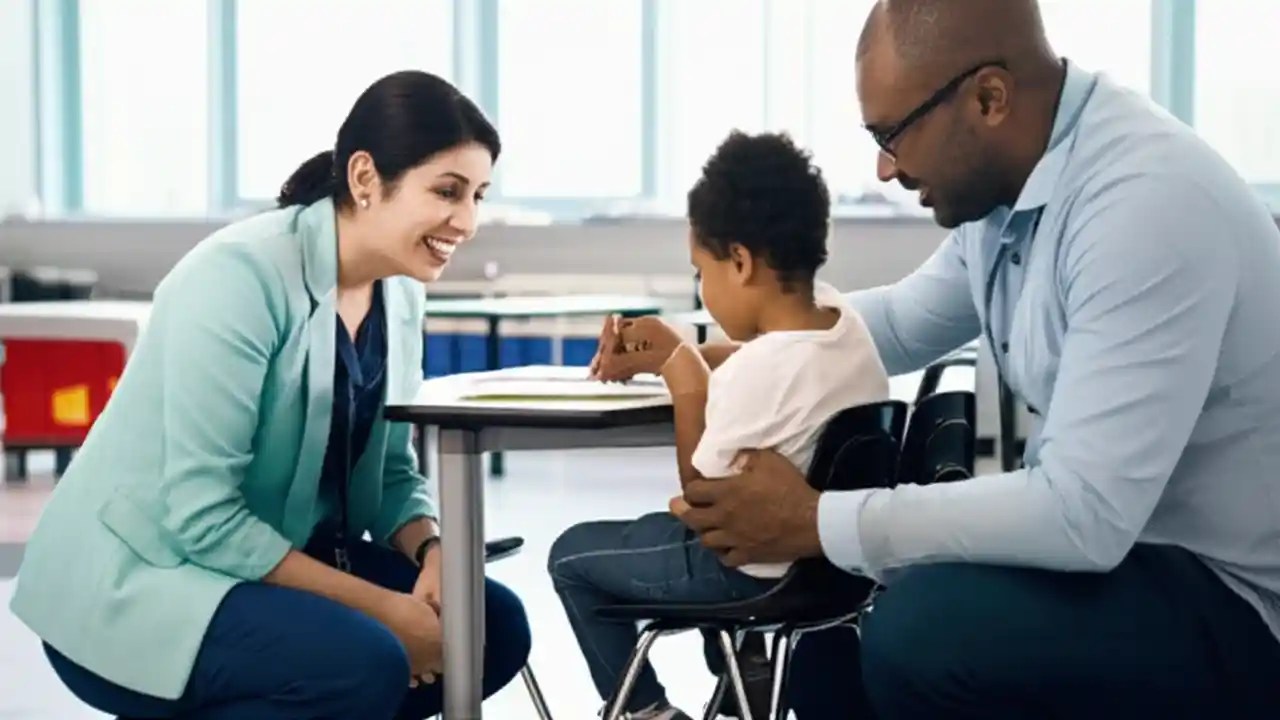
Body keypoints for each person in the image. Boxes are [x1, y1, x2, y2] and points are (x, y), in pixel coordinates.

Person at [596, 1, 1280, 717]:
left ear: (988, 98)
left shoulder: (1141, 207)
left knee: (921, 631)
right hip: (1132, 561)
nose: (884, 167)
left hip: (1233, 602)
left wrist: (817, 519)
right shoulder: (1014, 192)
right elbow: (893, 323)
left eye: (891, 135)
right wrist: (709, 354)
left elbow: (1083, 512)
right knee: (832, 647)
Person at [9, 70, 531, 720]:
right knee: (367, 661)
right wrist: (387, 610)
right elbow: (203, 516)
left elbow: (392, 473)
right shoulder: (239, 276)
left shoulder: (400, 292)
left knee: (491, 627)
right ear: (365, 178)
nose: (468, 221)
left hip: (262, 561)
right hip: (146, 578)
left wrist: (435, 555)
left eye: (478, 196)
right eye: (447, 192)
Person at [550, 131, 891, 720]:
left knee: (571, 557)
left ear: (739, 261)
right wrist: (678, 350)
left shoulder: (762, 371)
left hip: (749, 572)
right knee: (659, 529)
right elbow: (760, 358)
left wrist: (685, 376)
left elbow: (703, 500)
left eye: (700, 272)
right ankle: (747, 673)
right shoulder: (842, 326)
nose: (702, 289)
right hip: (832, 573)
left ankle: (650, 711)